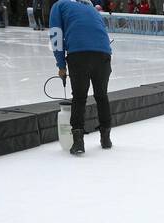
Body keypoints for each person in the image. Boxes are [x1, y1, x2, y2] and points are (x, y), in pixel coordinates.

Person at [51, 0, 114, 155]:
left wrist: (60, 65)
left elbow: (56, 35)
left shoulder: (59, 5)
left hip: (79, 53)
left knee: (79, 97)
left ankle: (78, 142)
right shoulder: (92, 9)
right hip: (103, 53)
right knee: (101, 96)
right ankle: (106, 139)